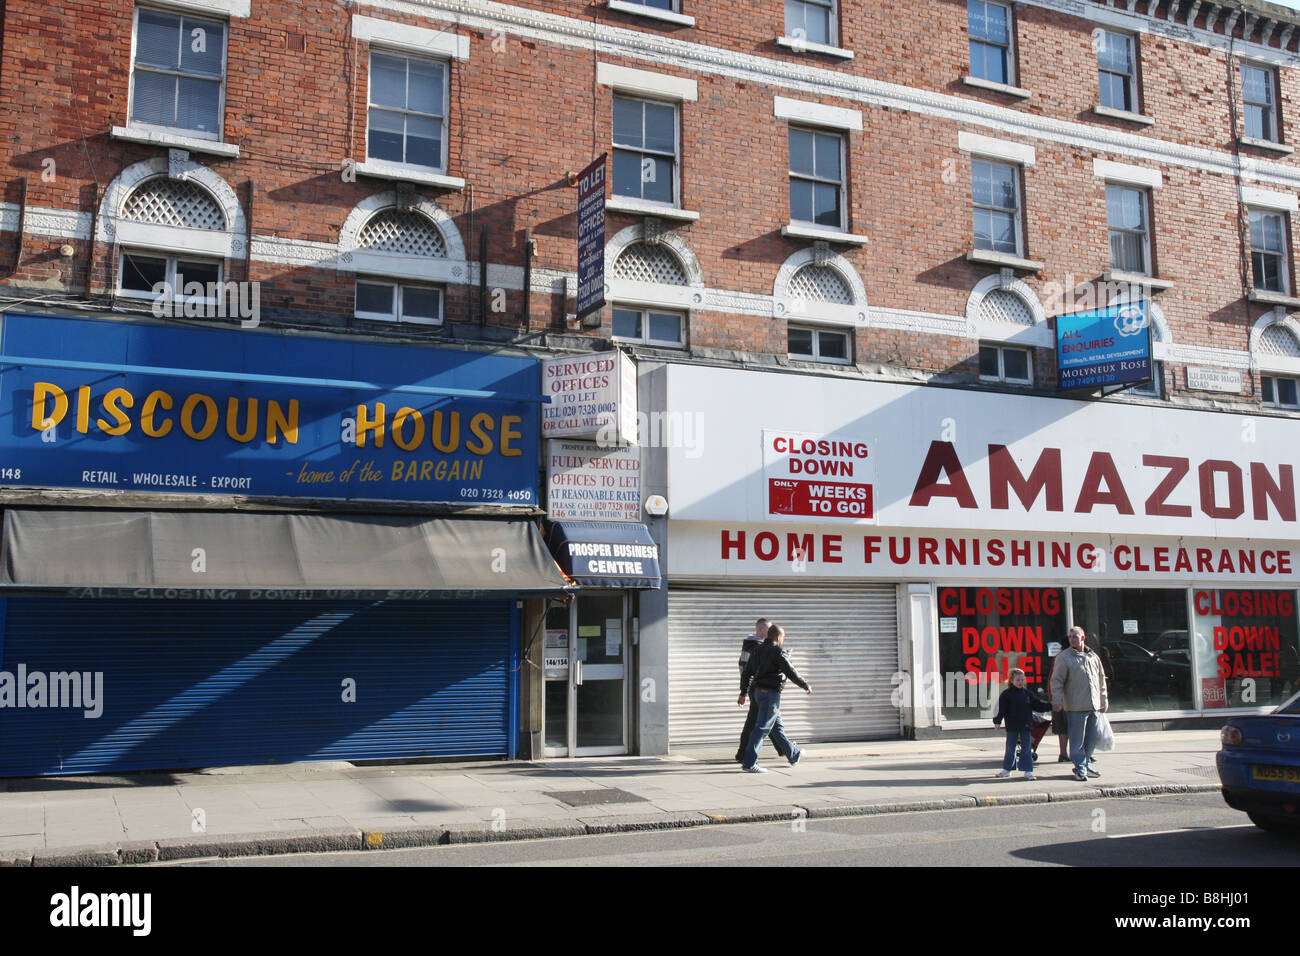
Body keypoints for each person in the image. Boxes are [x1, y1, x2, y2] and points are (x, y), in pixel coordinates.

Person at [738, 623, 812, 772]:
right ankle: (749, 763)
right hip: (770, 694)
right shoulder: (777, 652)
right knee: (762, 728)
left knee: (776, 728)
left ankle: (793, 754)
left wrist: (743, 693)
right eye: (782, 638)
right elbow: (790, 671)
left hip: (758, 693)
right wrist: (805, 685)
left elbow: (746, 673)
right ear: (778, 637)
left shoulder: (757, 650)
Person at [1050, 626, 1109, 781]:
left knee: (1091, 739)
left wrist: (1104, 700)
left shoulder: (1093, 657)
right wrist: (1057, 700)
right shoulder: (1064, 657)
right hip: (1076, 706)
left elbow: (1101, 679)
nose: (1072, 639)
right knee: (1077, 740)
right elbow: (1056, 681)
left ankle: (1086, 764)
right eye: (1070, 637)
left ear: (1083, 638)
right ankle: (1079, 767)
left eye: (1075, 636)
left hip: (1093, 705)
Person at [734, 617, 780, 763]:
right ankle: (743, 754)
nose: (771, 631)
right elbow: (753, 669)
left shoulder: (751, 645)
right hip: (759, 689)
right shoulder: (755, 646)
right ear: (760, 630)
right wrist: (745, 691)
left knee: (767, 721)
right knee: (760, 721)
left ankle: (787, 750)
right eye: (769, 629)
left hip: (756, 688)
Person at [993, 668, 1051, 780]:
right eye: (1018, 680)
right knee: (1010, 747)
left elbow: (1038, 705)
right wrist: (997, 721)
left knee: (1026, 748)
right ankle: (1007, 769)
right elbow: (1002, 710)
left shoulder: (1028, 694)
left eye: (1022, 680)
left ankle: (1028, 770)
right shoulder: (1006, 694)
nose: (1020, 682)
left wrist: (1050, 705)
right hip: (1012, 725)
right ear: (1011, 680)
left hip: (1026, 725)